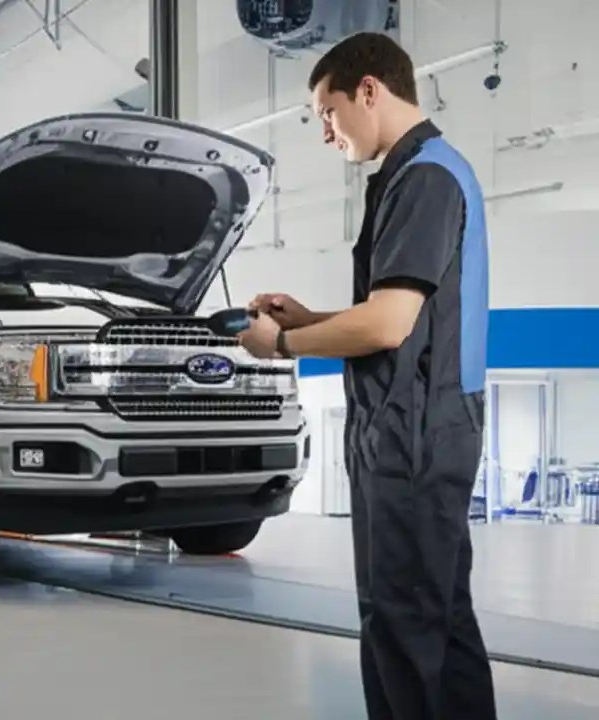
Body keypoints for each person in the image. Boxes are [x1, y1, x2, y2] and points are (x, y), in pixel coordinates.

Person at [235, 32, 496, 719]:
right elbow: (401, 314)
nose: (326, 132)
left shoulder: (426, 178)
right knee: (439, 622)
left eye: (328, 112)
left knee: (402, 625)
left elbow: (386, 326)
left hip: (415, 434)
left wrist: (282, 342)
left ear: (370, 90)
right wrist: (312, 317)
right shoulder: (426, 171)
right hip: (423, 426)